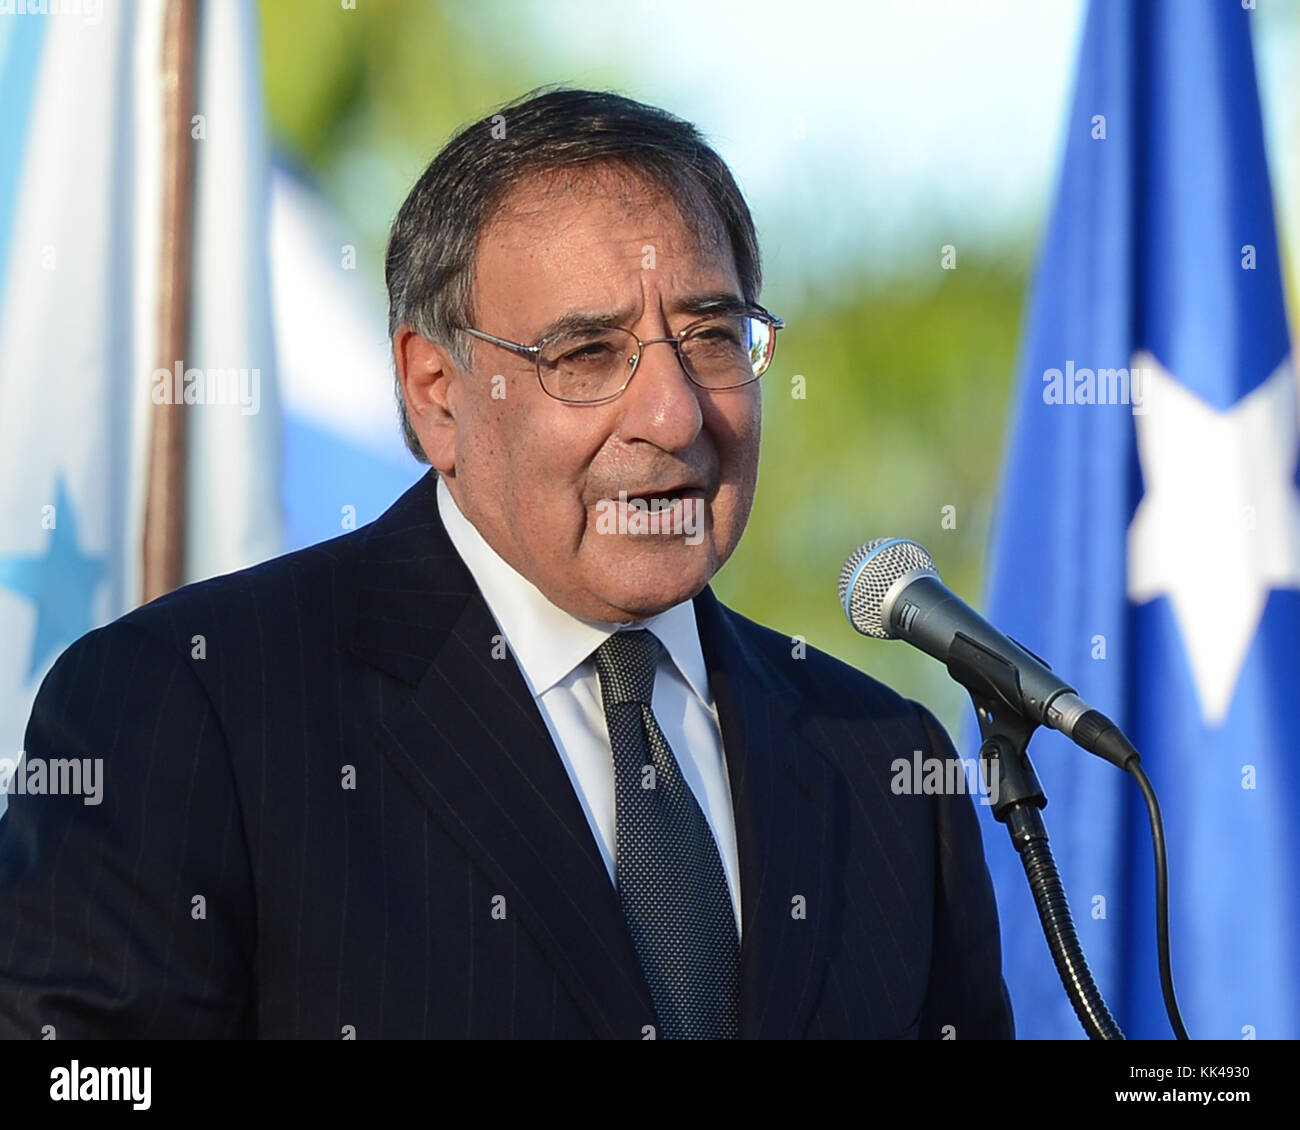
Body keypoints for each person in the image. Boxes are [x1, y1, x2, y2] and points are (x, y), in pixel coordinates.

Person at [0, 87, 1013, 1040]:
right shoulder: (191, 708)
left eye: (710, 337)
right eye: (586, 355)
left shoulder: (880, 758)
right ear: (437, 391)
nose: (672, 413)